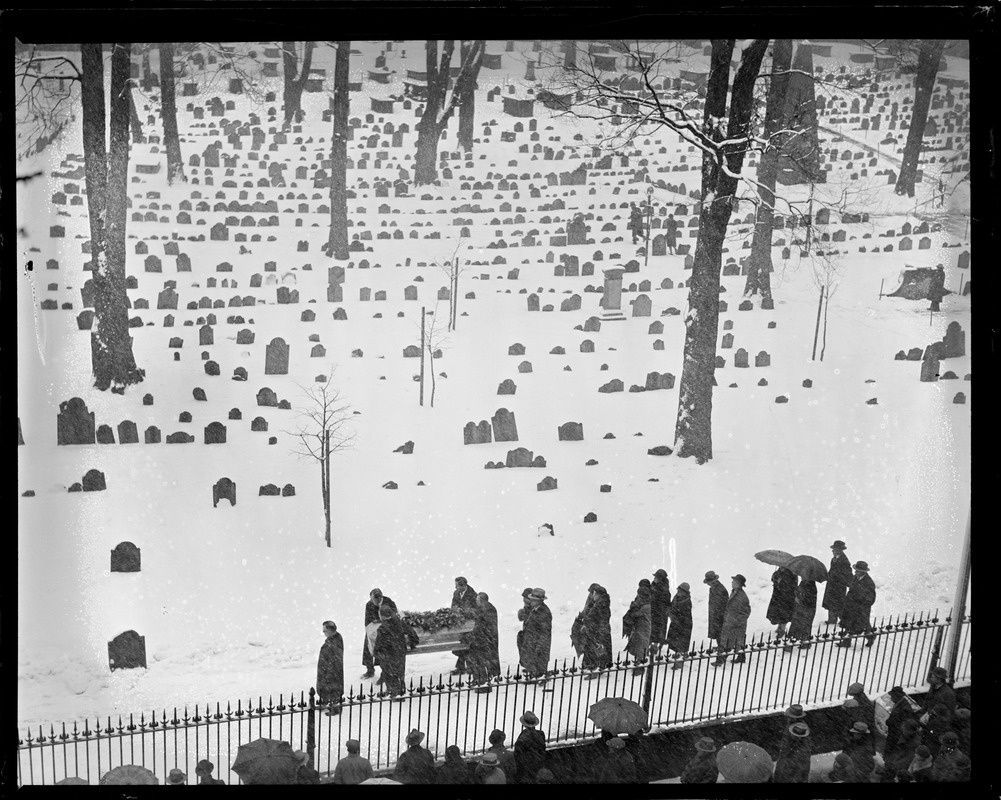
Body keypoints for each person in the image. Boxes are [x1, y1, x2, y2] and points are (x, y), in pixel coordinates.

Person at [373, 604, 419, 696]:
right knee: (400, 673)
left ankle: (393, 692)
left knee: (390, 674)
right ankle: (400, 691)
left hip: (388, 654)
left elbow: (379, 645)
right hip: (400, 652)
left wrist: (376, 652)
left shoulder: (382, 628)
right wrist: (412, 643)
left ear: (382, 616)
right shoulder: (399, 623)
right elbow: (412, 633)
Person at [836, 561, 876, 648]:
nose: (855, 572)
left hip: (861, 608)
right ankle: (846, 642)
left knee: (864, 624)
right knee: (848, 623)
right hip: (851, 606)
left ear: (863, 572)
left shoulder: (869, 583)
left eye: (858, 571)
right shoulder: (855, 578)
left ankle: (871, 637)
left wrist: (860, 603)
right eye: (856, 570)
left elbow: (870, 598)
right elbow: (852, 588)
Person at [712, 574, 750, 666]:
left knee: (728, 643)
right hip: (730, 622)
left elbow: (746, 612)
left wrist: (736, 621)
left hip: (735, 624)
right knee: (735, 642)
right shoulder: (734, 592)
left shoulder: (742, 596)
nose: (732, 582)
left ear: (738, 583)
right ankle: (741, 657)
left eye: (734, 581)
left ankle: (720, 660)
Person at [465, 592, 500, 692]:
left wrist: (470, 636)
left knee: (479, 661)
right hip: (487, 638)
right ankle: (481, 681)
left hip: (484, 640)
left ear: (481, 600)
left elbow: (480, 626)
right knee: (484, 661)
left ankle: (482, 684)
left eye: (477, 600)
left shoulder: (484, 609)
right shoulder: (489, 608)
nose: (476, 601)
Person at [577, 583, 613, 675]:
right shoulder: (602, 604)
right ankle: (600, 667)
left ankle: (594, 671)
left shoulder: (599, 606)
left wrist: (586, 622)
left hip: (598, 632)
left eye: (594, 594)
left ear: (599, 595)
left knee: (595, 651)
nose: (593, 596)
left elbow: (594, 618)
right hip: (601, 631)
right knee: (599, 650)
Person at [921, 666, 956, 755]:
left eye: (933, 676)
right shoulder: (934, 687)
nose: (931, 678)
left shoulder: (947, 694)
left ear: (939, 679)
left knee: (932, 746)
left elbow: (948, 714)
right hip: (929, 721)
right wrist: (924, 714)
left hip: (937, 726)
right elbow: (928, 701)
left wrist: (934, 721)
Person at [362, 588, 397, 679]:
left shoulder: (388, 602)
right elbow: (367, 620)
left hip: (386, 630)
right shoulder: (369, 604)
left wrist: (380, 621)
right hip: (373, 629)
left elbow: (394, 616)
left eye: (373, 599)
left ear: (380, 598)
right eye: (371, 599)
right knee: (367, 646)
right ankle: (370, 669)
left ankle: (384, 673)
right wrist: (370, 629)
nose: (372, 601)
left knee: (382, 649)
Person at [521, 589, 552, 683]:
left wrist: (540, 644)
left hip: (539, 641)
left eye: (533, 599)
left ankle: (541, 677)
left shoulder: (544, 612)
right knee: (533, 658)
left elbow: (545, 632)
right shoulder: (535, 609)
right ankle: (534, 675)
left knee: (540, 658)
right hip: (532, 640)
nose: (530, 601)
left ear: (539, 601)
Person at [622, 581, 652, 676]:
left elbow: (635, 614)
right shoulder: (643, 603)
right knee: (637, 645)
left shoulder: (646, 606)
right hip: (639, 628)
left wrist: (633, 606)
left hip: (643, 629)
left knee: (641, 647)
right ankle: (638, 663)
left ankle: (640, 667)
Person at [450, 577, 478, 675]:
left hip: (470, 625)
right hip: (461, 625)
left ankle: (467, 667)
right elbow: (453, 606)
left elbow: (476, 610)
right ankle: (463, 667)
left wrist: (465, 613)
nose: (455, 587)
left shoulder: (473, 594)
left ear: (463, 585)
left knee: (468, 645)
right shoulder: (456, 593)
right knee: (462, 645)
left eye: (457, 585)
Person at [317, 620, 344, 716]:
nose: (323, 632)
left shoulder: (334, 642)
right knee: (328, 688)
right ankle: (326, 703)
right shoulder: (334, 638)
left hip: (331, 670)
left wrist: (329, 672)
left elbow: (334, 659)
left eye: (325, 631)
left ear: (330, 630)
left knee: (333, 688)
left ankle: (335, 709)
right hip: (328, 668)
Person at [822, 540, 852, 626]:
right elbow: (832, 571)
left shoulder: (845, 561)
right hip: (832, 585)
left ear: (839, 550)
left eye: (834, 549)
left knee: (838, 604)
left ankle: (844, 620)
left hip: (838, 587)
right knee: (831, 603)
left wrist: (837, 577)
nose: (832, 551)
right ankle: (832, 619)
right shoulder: (834, 559)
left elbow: (847, 574)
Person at [883, 686, 917, 758]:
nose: (891, 698)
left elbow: (903, 723)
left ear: (897, 696)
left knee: (891, 752)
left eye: (892, 696)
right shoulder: (900, 703)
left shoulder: (905, 708)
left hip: (896, 735)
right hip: (893, 733)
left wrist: (891, 723)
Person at [513, 710, 547, 784]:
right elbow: (542, 750)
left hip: (525, 770)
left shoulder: (523, 738)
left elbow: (517, 755)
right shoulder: (541, 734)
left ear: (524, 724)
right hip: (538, 766)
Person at [665, 582, 693, 669]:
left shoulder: (686, 601)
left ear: (684, 592)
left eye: (680, 590)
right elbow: (672, 606)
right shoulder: (677, 597)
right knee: (677, 643)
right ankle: (683, 656)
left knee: (681, 644)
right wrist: (670, 612)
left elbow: (683, 614)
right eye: (678, 590)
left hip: (683, 625)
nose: (678, 591)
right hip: (676, 623)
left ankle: (679, 663)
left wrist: (672, 615)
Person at [786, 578, 818, 651]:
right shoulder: (803, 583)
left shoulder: (811, 586)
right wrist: (796, 593)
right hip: (801, 608)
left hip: (807, 609)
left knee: (804, 626)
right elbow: (799, 592)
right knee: (796, 625)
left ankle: (804, 642)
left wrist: (799, 599)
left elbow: (809, 600)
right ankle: (793, 643)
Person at [844, 682, 876, 753]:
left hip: (861, 731)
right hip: (865, 730)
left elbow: (859, 718)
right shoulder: (864, 701)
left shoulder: (861, 703)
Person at [766, 565, 797, 637]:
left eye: (783, 566)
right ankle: (779, 627)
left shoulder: (792, 574)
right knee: (778, 613)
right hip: (778, 597)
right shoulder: (778, 572)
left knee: (784, 614)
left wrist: (782, 583)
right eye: (780, 566)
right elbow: (773, 579)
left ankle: (782, 630)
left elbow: (792, 586)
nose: (781, 567)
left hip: (787, 598)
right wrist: (775, 578)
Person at [703, 571, 728, 649]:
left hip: (719, 616)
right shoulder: (714, 588)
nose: (707, 584)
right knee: (717, 632)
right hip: (715, 615)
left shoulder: (719, 589)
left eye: (708, 582)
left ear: (713, 581)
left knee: (720, 632)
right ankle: (720, 646)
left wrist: (718, 615)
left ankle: (722, 648)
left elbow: (722, 605)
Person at [649, 569, 672, 646]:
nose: (654, 578)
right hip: (654, 612)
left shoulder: (663, 589)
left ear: (660, 579)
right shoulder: (654, 586)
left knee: (657, 631)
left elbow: (664, 602)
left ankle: (655, 646)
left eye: (656, 577)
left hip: (659, 614)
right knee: (652, 630)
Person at [516, 587, 533, 672]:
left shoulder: (533, 608)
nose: (524, 600)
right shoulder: (527, 607)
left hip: (531, 634)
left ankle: (531, 668)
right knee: (525, 649)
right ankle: (527, 666)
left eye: (525, 598)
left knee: (530, 651)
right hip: (526, 632)